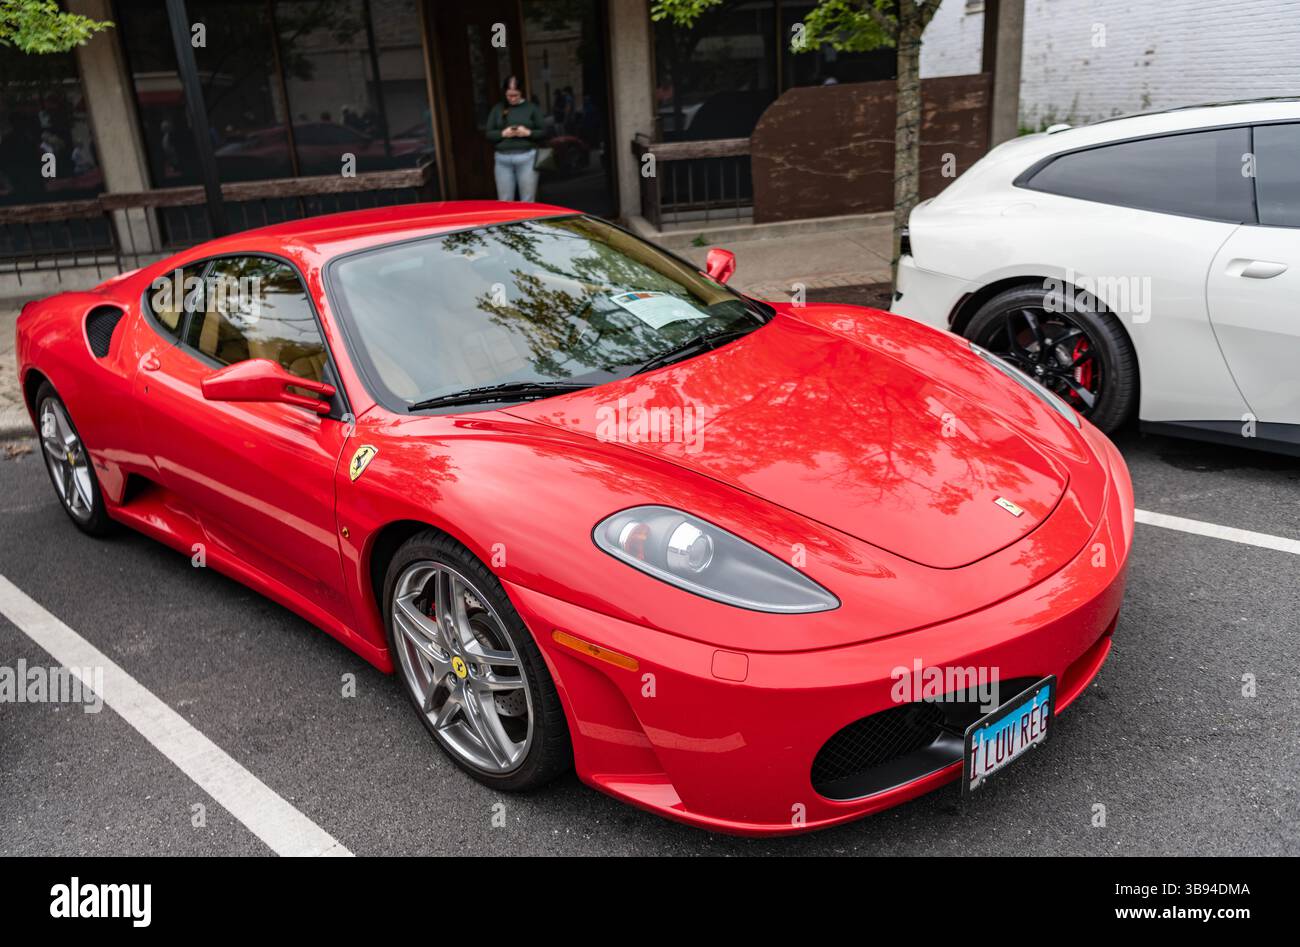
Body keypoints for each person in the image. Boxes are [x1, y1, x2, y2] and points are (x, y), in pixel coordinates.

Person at [485, 75, 546, 202]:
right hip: (502, 159)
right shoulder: (498, 108)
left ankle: (527, 222)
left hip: (527, 157)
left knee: (528, 200)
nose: (512, 98)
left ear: (521, 92)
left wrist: (528, 133)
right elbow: (488, 133)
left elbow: (544, 132)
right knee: (505, 201)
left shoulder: (531, 108)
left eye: (515, 95)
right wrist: (503, 133)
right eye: (509, 95)